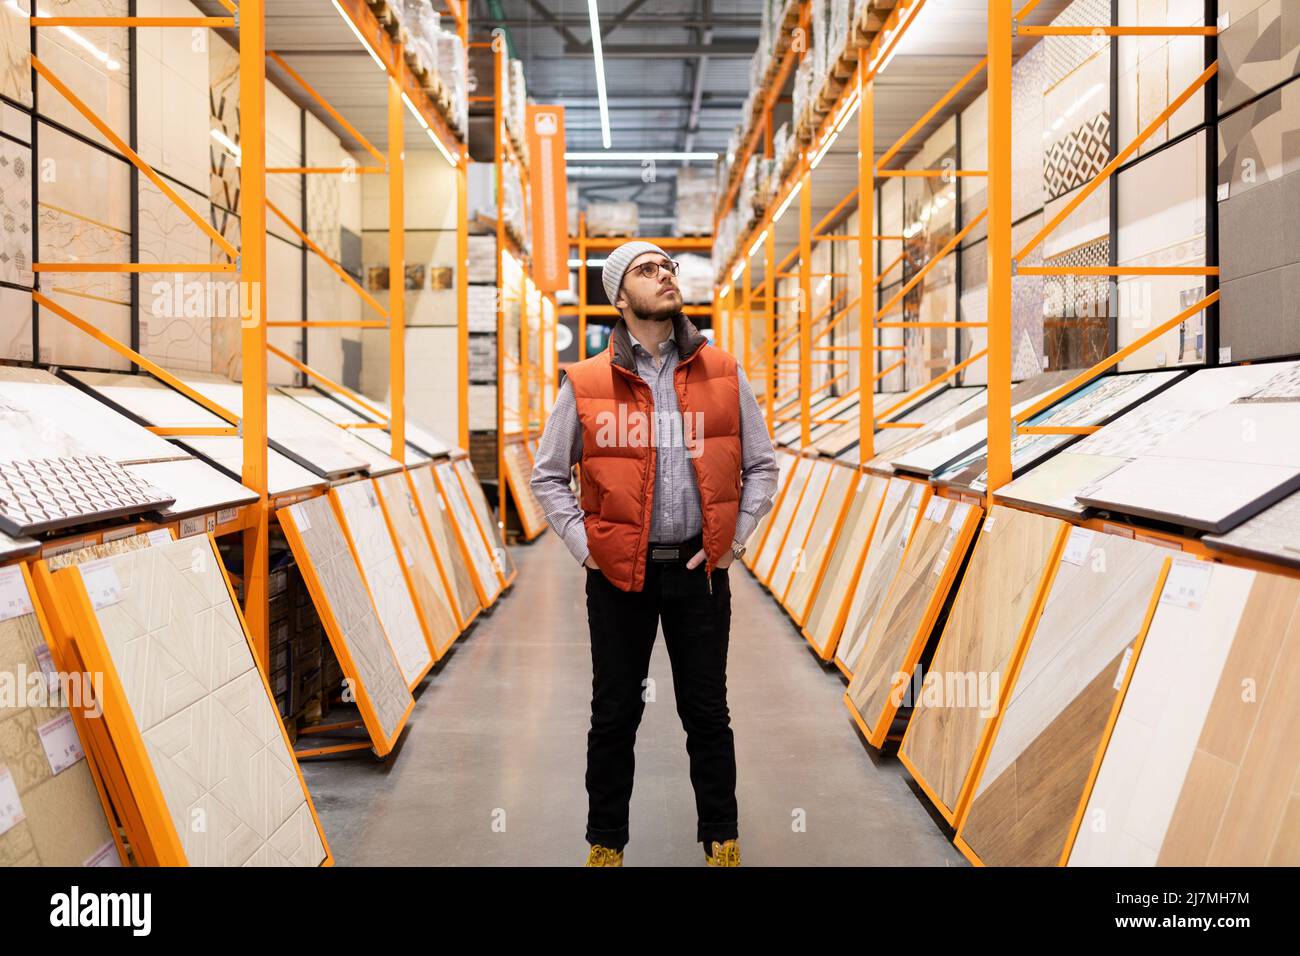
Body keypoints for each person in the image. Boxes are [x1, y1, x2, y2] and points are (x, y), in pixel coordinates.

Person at [530, 240, 779, 867]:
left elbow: (762, 465)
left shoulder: (722, 371)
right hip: (618, 577)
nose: (665, 275)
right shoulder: (587, 382)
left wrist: (732, 544)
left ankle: (721, 840)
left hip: (699, 572)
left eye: (668, 267)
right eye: (647, 271)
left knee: (707, 712)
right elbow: (547, 475)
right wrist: (587, 549)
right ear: (620, 297)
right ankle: (605, 844)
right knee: (614, 713)